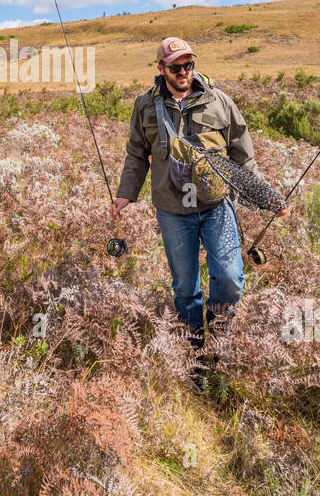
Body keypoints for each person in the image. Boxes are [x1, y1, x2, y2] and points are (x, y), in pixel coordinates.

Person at [111, 37, 290, 351]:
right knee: (184, 286)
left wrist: (266, 197)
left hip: (215, 205)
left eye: (188, 65)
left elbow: (242, 155)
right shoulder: (145, 106)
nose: (183, 72)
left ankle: (219, 334)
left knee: (231, 277)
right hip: (172, 209)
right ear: (161, 68)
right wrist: (125, 194)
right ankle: (193, 349)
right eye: (176, 67)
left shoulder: (219, 101)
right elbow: (137, 154)